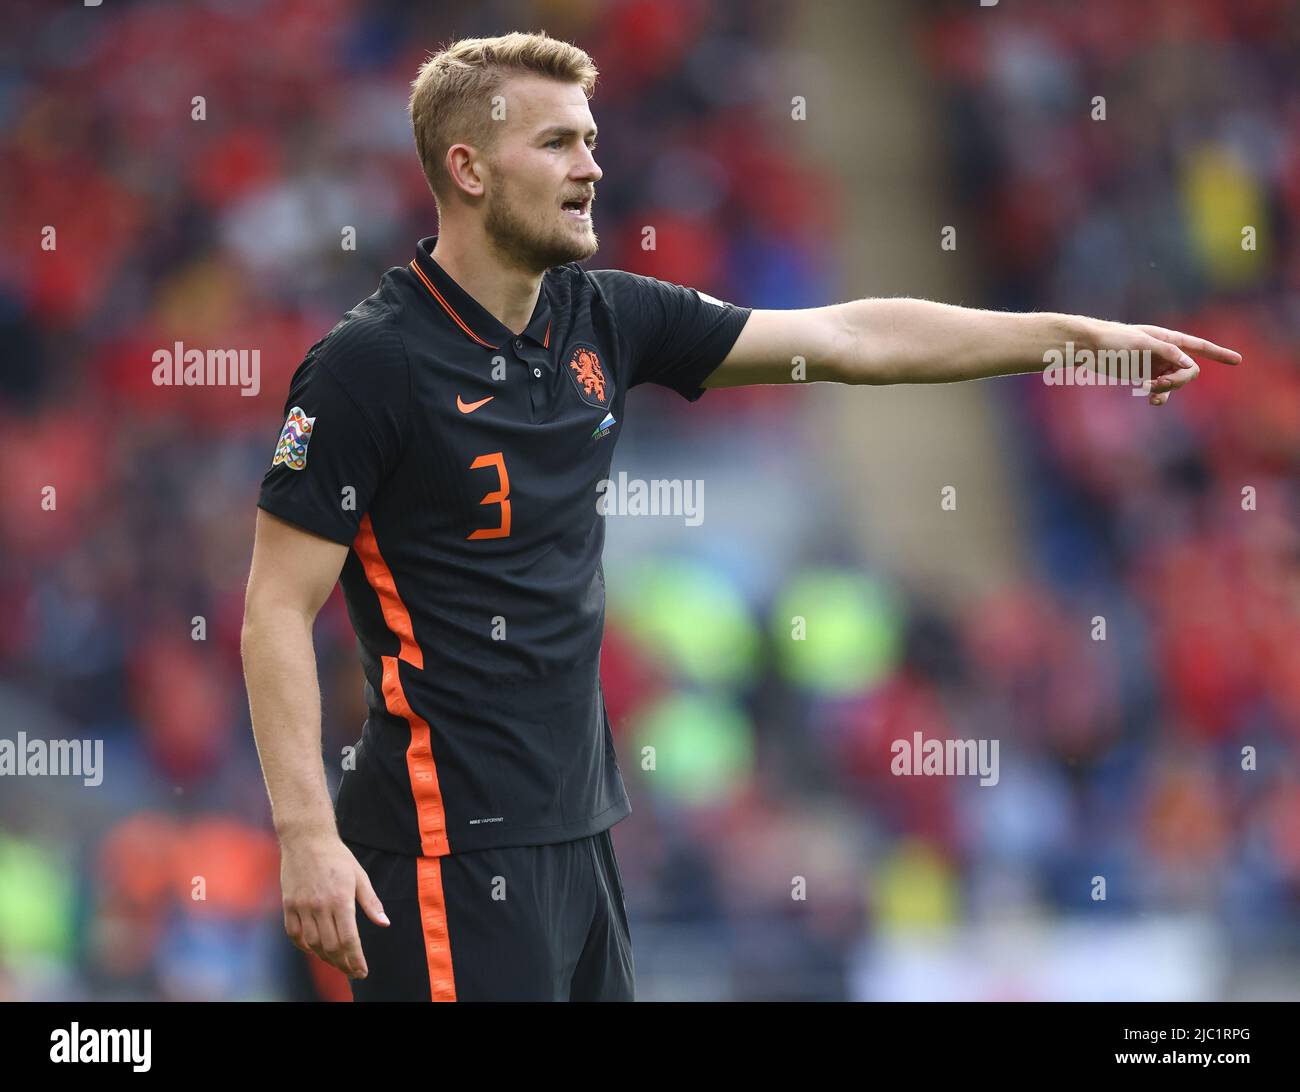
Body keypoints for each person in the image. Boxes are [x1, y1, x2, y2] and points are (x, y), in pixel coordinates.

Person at [240, 30, 1240, 1002]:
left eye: (591, 138)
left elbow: (851, 336)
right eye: (556, 143)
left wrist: (1067, 338)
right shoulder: (369, 366)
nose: (591, 165)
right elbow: (276, 610)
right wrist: (305, 836)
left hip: (582, 841)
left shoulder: (602, 318)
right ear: (467, 169)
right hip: (443, 851)